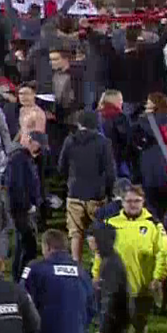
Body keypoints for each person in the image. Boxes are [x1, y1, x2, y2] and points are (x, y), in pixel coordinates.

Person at [92, 186, 167, 333]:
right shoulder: (111, 224)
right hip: (115, 290)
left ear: (143, 202)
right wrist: (96, 275)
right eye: (129, 201)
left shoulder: (153, 225)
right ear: (122, 202)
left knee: (138, 329)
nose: (133, 204)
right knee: (115, 330)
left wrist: (158, 277)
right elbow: (100, 254)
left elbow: (164, 253)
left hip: (141, 288)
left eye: (137, 201)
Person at [22, 229, 95, 333]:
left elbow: (23, 303)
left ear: (46, 247)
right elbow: (92, 307)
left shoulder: (36, 270)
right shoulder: (81, 272)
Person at [91, 224, 161, 333]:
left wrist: (103, 329)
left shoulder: (110, 264)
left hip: (114, 321)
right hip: (118, 319)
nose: (89, 242)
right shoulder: (110, 260)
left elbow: (111, 298)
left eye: (92, 238)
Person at [58, 110, 116, 264]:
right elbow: (110, 172)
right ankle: (99, 265)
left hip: (74, 192)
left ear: (79, 123)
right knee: (98, 233)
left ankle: (76, 265)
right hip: (96, 195)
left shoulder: (70, 140)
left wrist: (69, 181)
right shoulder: (103, 142)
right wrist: (109, 192)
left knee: (76, 233)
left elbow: (61, 167)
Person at [5, 132, 44, 281]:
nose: (38, 150)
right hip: (21, 210)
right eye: (38, 146)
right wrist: (27, 205)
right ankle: (20, 278)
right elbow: (17, 185)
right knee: (25, 245)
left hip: (25, 209)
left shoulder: (26, 158)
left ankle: (24, 277)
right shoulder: (18, 159)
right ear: (31, 141)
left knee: (27, 245)